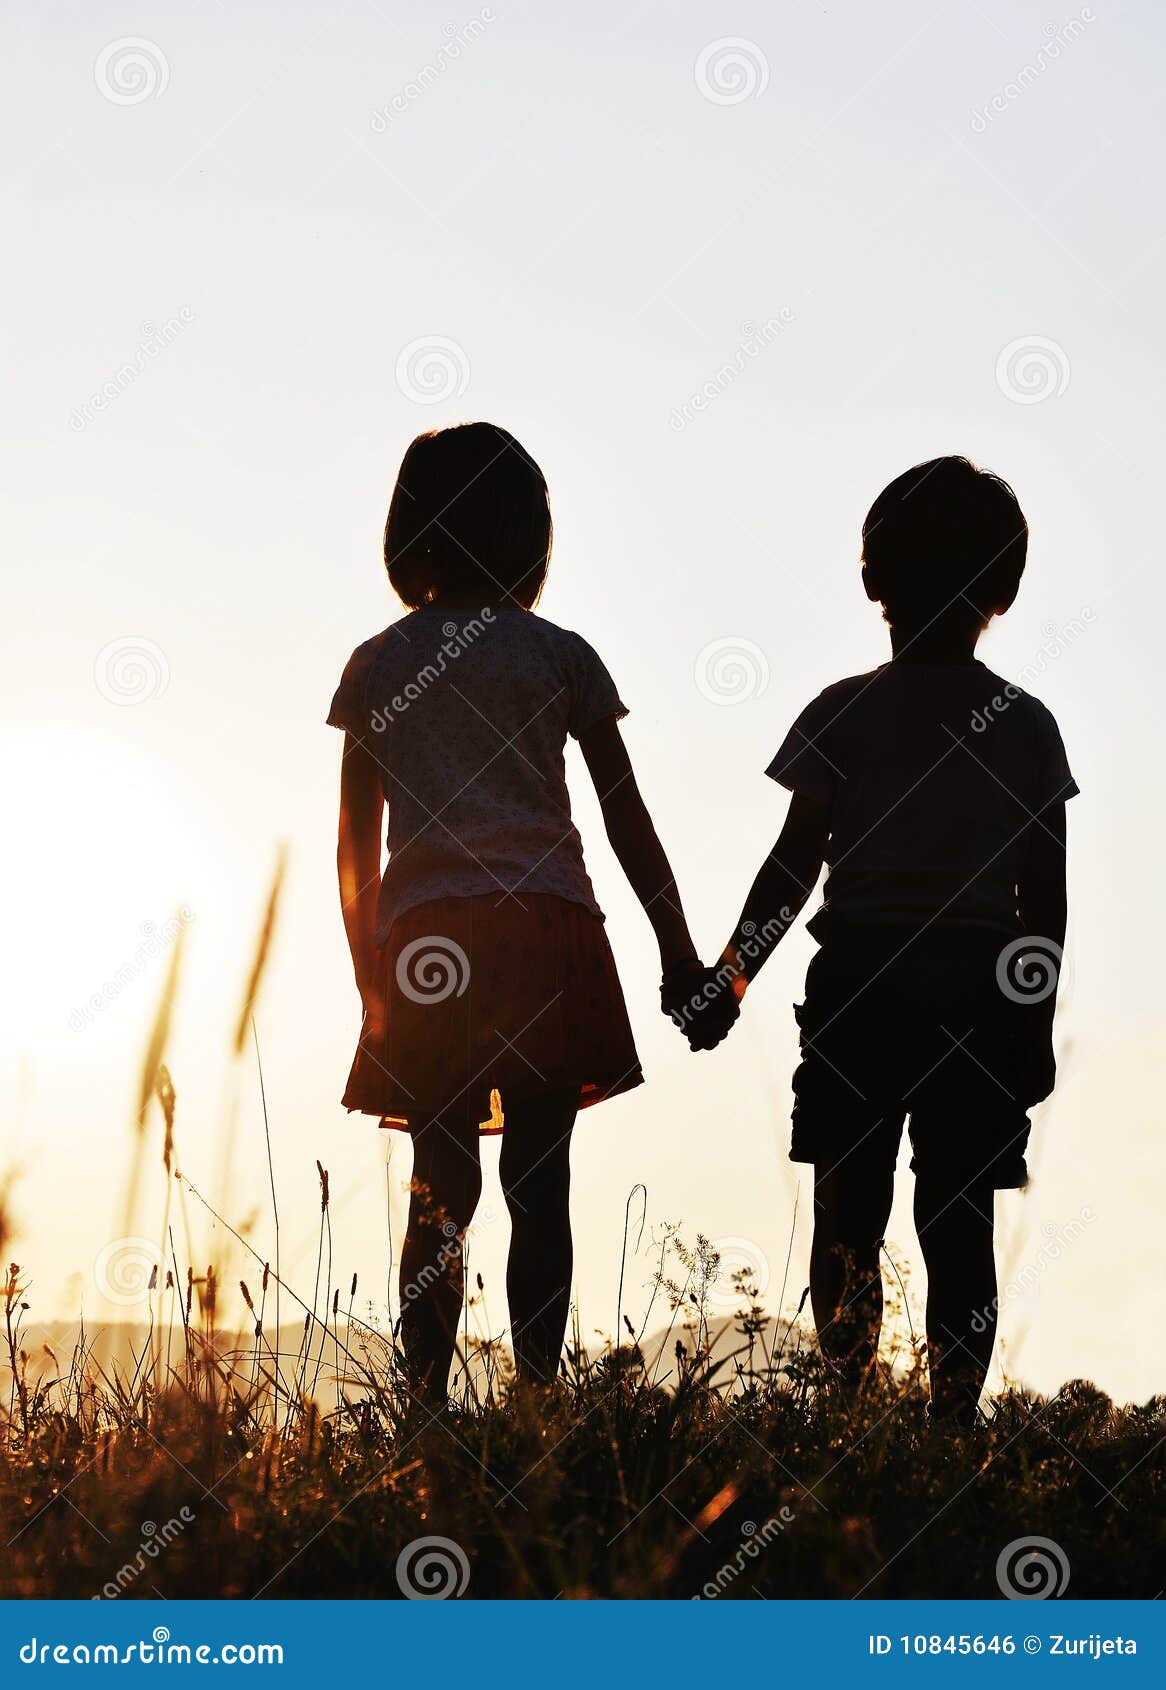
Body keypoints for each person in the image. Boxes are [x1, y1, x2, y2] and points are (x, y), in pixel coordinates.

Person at [328, 421, 726, 1405]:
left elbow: (352, 848)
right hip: (548, 934)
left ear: (408, 529)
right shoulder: (560, 655)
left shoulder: (377, 663)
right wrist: (681, 957)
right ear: (529, 535)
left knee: (439, 1188)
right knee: (538, 1188)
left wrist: (371, 983)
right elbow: (626, 820)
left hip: (428, 945)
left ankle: (423, 1411)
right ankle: (540, 1406)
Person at [678, 456, 1076, 1427]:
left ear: (871, 577)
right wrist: (1030, 1023)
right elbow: (1043, 907)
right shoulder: (1022, 727)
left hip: (858, 985)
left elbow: (788, 871)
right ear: (1001, 590)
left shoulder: (842, 714)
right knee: (958, 1221)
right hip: (975, 997)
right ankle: (945, 1428)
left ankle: (853, 1416)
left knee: (847, 1219)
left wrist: (727, 980)